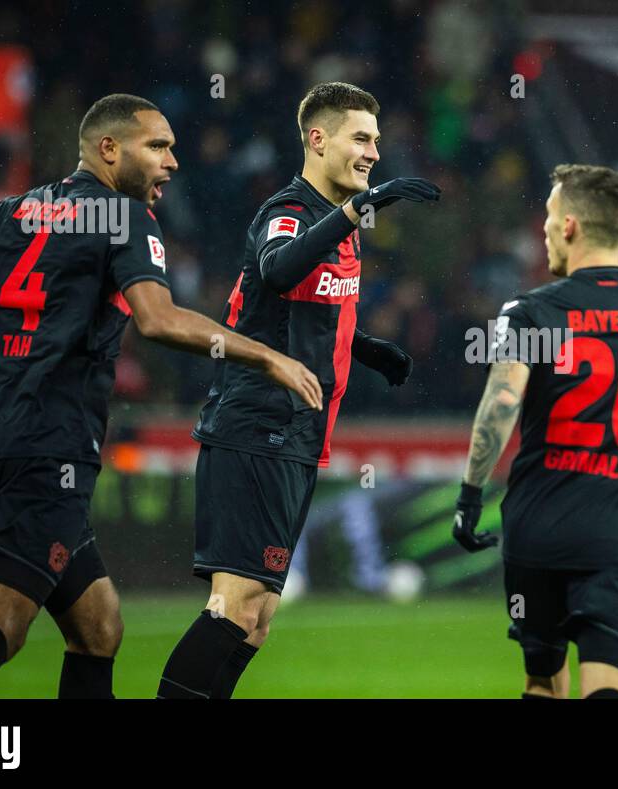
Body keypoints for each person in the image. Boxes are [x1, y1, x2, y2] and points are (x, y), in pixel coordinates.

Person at [0, 94, 321, 699]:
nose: (172, 162)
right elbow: (158, 320)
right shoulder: (123, 219)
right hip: (48, 453)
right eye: (157, 146)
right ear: (108, 149)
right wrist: (266, 354)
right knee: (0, 626)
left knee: (99, 627)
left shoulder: (7, 215)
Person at [157, 82, 438, 699]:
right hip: (256, 426)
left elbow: (294, 306)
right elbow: (276, 269)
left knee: (255, 623)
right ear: (318, 139)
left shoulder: (340, 223)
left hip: (299, 434)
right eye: (360, 138)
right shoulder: (290, 211)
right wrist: (357, 212)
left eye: (377, 141)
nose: (373, 153)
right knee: (232, 606)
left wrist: (366, 349)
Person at [451, 164, 618, 699]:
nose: (544, 230)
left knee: (542, 682)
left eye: (549, 218)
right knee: (607, 685)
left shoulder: (531, 312)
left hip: (538, 530)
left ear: (570, 225)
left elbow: (502, 401)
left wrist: (469, 494)